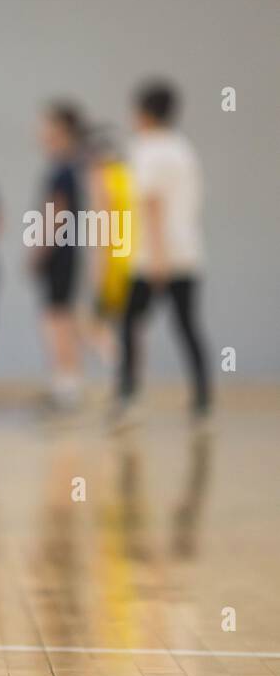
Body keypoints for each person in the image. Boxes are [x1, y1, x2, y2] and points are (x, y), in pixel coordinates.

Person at [114, 79, 211, 428]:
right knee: (187, 327)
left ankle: (128, 398)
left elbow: (151, 204)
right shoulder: (184, 149)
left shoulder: (147, 149)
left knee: (129, 324)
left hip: (154, 257)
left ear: (144, 113)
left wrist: (156, 257)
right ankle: (202, 404)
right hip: (187, 253)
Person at [32, 102, 87, 411]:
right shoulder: (70, 167)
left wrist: (39, 250)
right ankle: (66, 384)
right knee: (63, 318)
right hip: (66, 252)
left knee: (59, 319)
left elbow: (56, 213)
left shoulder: (64, 169)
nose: (40, 132)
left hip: (61, 254)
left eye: (46, 125)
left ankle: (67, 388)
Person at [84, 129, 136, 367]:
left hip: (113, 261)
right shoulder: (125, 175)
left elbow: (101, 227)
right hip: (133, 258)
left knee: (91, 322)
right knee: (128, 326)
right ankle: (129, 380)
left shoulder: (100, 179)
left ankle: (120, 372)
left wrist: (97, 269)